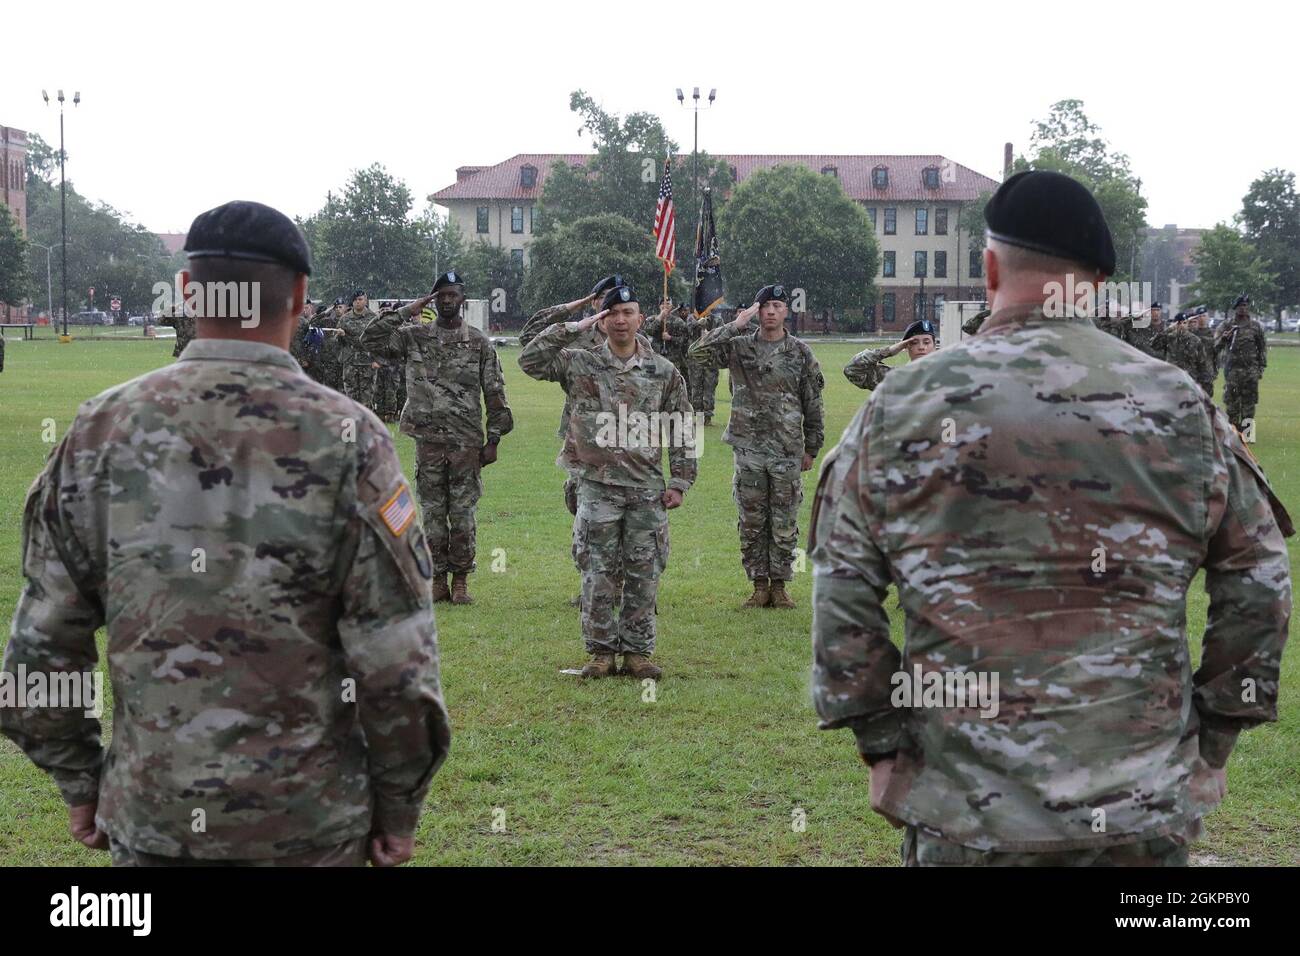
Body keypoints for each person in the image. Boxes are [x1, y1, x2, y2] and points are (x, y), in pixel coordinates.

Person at [809, 170, 1293, 867]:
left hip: (964, 812)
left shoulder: (905, 404)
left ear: (989, 267)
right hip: (1138, 810)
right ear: (1097, 280)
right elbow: (1258, 579)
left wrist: (880, 743)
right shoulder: (1180, 406)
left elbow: (842, 584)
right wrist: (1213, 740)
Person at [0, 200, 451, 867]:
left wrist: (80, 778)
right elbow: (396, 661)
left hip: (156, 820)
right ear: (300, 295)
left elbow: (42, 646)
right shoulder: (350, 437)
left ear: (187, 291)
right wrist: (398, 805)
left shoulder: (102, 429)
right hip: (310, 825)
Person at [519, 285, 696, 678]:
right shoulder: (579, 363)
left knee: (644, 572)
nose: (620, 320)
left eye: (627, 312)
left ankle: (637, 653)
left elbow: (683, 427)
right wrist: (572, 325)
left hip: (646, 490)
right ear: (601, 319)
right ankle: (600, 653)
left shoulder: (663, 371)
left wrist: (681, 480)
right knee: (596, 571)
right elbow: (529, 359)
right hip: (596, 486)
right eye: (611, 312)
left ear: (640, 318)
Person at [361, 271, 513, 605]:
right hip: (428, 440)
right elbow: (369, 339)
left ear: (462, 298)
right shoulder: (414, 337)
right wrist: (407, 310)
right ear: (433, 300)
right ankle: (437, 579)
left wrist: (494, 438)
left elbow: (495, 393)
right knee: (431, 514)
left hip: (465, 441)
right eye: (440, 295)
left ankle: (460, 580)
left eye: (452, 294)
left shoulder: (478, 342)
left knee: (461, 514)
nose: (447, 300)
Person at [689, 283, 825, 609]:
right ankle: (759, 584)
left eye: (777, 305)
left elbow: (813, 402)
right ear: (756, 311)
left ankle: (780, 586)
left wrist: (812, 447)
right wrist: (735, 324)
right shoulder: (739, 347)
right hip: (749, 447)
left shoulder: (800, 353)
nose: (771, 311)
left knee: (784, 519)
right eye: (765, 306)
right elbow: (697, 353)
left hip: (787, 448)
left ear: (786, 311)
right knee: (751, 519)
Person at [518, 274, 639, 607]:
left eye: (619, 305)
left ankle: (622, 584)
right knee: (583, 509)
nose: (612, 312)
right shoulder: (578, 339)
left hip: (626, 445)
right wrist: (574, 314)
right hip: (583, 443)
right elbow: (529, 342)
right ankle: (598, 582)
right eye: (603, 300)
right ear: (595, 301)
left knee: (628, 516)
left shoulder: (635, 340)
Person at [1216, 294, 1267, 434]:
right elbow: (1215, 346)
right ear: (1235, 308)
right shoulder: (1227, 325)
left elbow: (1262, 348)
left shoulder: (1255, 326)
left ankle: (1247, 435)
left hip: (1251, 371)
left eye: (1245, 306)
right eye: (1240, 306)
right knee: (1232, 405)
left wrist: (1260, 368)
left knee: (1249, 405)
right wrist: (1224, 338)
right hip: (1233, 371)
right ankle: (1233, 434)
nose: (1243, 309)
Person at [844, 318, 938, 390]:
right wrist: (889, 350)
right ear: (905, 347)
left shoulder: (947, 375)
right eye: (914, 343)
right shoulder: (895, 377)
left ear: (935, 346)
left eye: (926, 342)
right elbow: (852, 369)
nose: (921, 347)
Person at [338, 290, 380, 411]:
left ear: (365, 300)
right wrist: (340, 336)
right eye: (355, 300)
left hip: (367, 362)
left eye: (360, 299)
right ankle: (352, 425)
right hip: (350, 362)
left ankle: (366, 426)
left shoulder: (373, 318)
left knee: (367, 397)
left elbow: (379, 341)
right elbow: (338, 342)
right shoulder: (345, 319)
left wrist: (377, 359)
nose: (357, 302)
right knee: (350, 396)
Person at [1157, 311, 1215, 396]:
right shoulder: (1169, 338)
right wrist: (1169, 329)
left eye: (1184, 322)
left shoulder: (1195, 340)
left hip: (1190, 382)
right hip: (1172, 381)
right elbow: (1154, 344)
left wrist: (1207, 387)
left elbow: (1202, 365)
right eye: (1179, 323)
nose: (1182, 325)